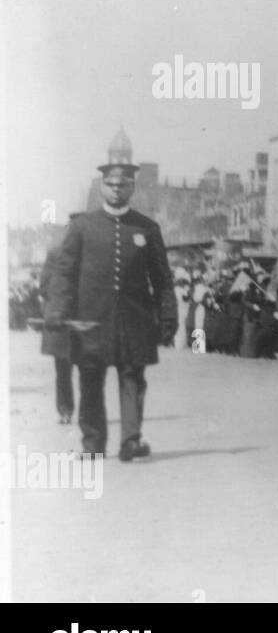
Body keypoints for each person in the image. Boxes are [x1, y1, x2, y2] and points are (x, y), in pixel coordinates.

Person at [45, 159, 177, 460]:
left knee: (133, 377)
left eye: (123, 185)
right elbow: (64, 272)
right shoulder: (82, 226)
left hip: (135, 320)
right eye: (111, 185)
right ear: (102, 186)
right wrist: (58, 310)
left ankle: (130, 440)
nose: (117, 190)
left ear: (132, 187)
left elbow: (162, 278)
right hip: (90, 320)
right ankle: (92, 443)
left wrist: (168, 314)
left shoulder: (148, 228)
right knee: (90, 379)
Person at [40, 219, 81, 424]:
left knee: (63, 371)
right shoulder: (86, 252)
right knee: (81, 369)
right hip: (73, 320)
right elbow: (44, 287)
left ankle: (66, 410)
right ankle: (74, 410)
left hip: (65, 320)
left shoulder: (54, 251)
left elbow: (43, 286)